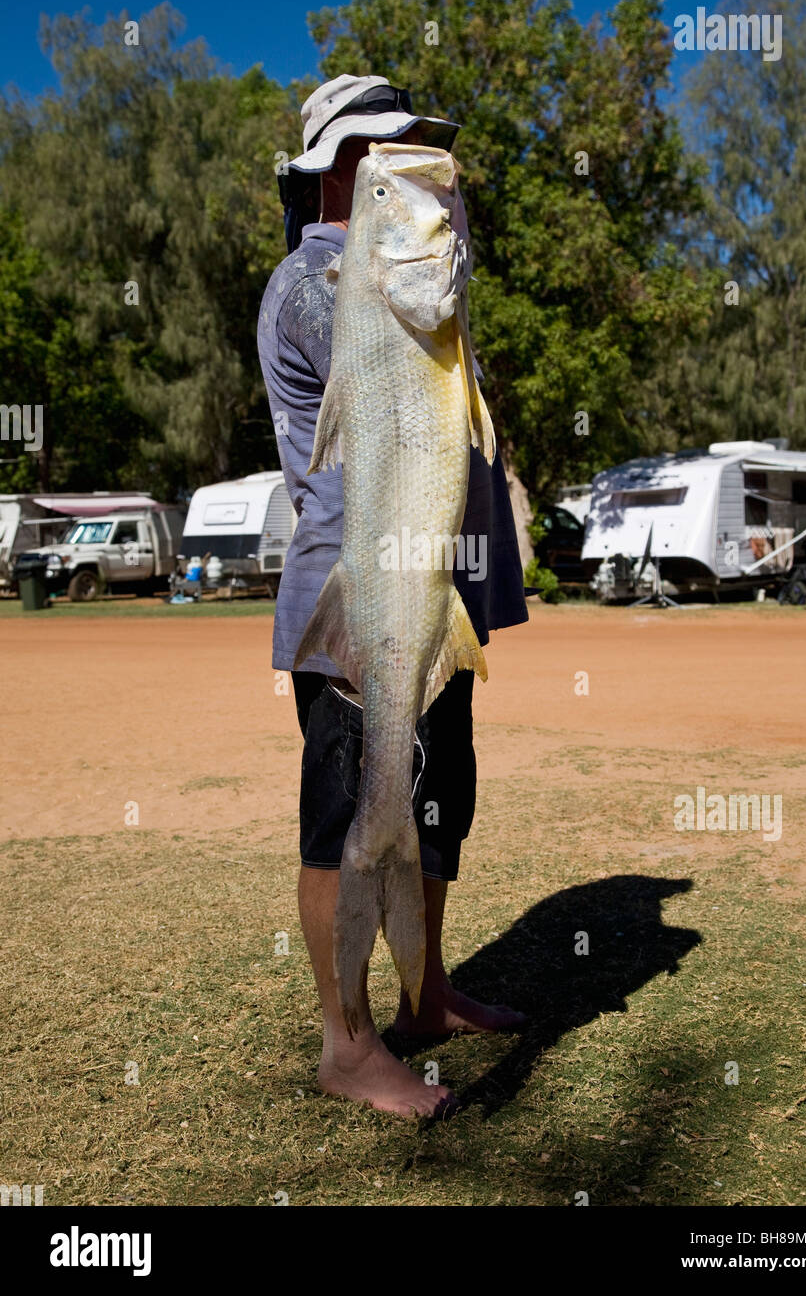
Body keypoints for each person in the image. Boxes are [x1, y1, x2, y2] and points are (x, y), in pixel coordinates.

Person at [257, 75, 528, 1118]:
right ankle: (347, 1042)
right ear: (337, 170)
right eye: (389, 149)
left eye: (418, 145)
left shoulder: (398, 271)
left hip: (438, 585)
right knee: (346, 812)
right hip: (356, 593)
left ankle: (422, 997)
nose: (412, 159)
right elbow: (403, 343)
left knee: (436, 797)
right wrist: (428, 249)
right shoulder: (318, 282)